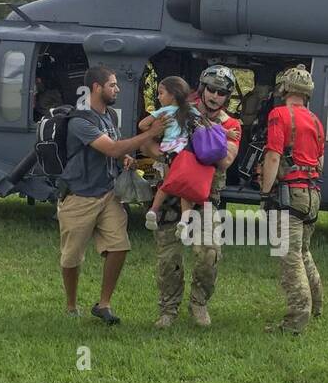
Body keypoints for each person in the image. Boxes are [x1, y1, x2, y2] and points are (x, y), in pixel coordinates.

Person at [57, 64, 167, 324]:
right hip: (79, 196)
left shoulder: (109, 116)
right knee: (72, 257)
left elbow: (116, 150)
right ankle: (71, 305)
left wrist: (126, 157)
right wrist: (149, 134)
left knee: (119, 247)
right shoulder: (80, 120)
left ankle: (103, 304)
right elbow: (111, 148)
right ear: (97, 87)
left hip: (108, 193)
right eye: (112, 85)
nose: (117, 88)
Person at [153, 64, 242, 329]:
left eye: (222, 93)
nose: (215, 96)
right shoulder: (178, 111)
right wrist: (164, 154)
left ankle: (199, 303)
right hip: (171, 194)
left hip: (205, 198)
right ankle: (168, 309)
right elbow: (150, 138)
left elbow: (225, 161)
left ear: (227, 97)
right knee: (168, 259)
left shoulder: (231, 125)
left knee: (209, 255)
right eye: (211, 90)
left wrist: (203, 131)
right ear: (202, 90)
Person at [258, 65, 324, 334]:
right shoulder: (316, 121)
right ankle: (317, 304)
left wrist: (265, 192)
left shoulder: (279, 115)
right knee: (303, 252)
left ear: (284, 89)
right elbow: (320, 162)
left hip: (290, 194)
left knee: (289, 256)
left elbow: (273, 156)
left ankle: (297, 319)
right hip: (312, 194)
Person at [138, 76, 195, 231]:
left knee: (168, 183)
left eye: (161, 93)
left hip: (168, 153)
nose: (158, 97)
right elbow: (206, 125)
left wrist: (156, 129)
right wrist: (226, 132)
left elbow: (142, 125)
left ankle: (153, 210)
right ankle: (184, 220)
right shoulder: (189, 110)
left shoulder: (164, 111)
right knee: (185, 187)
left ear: (173, 94)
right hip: (184, 154)